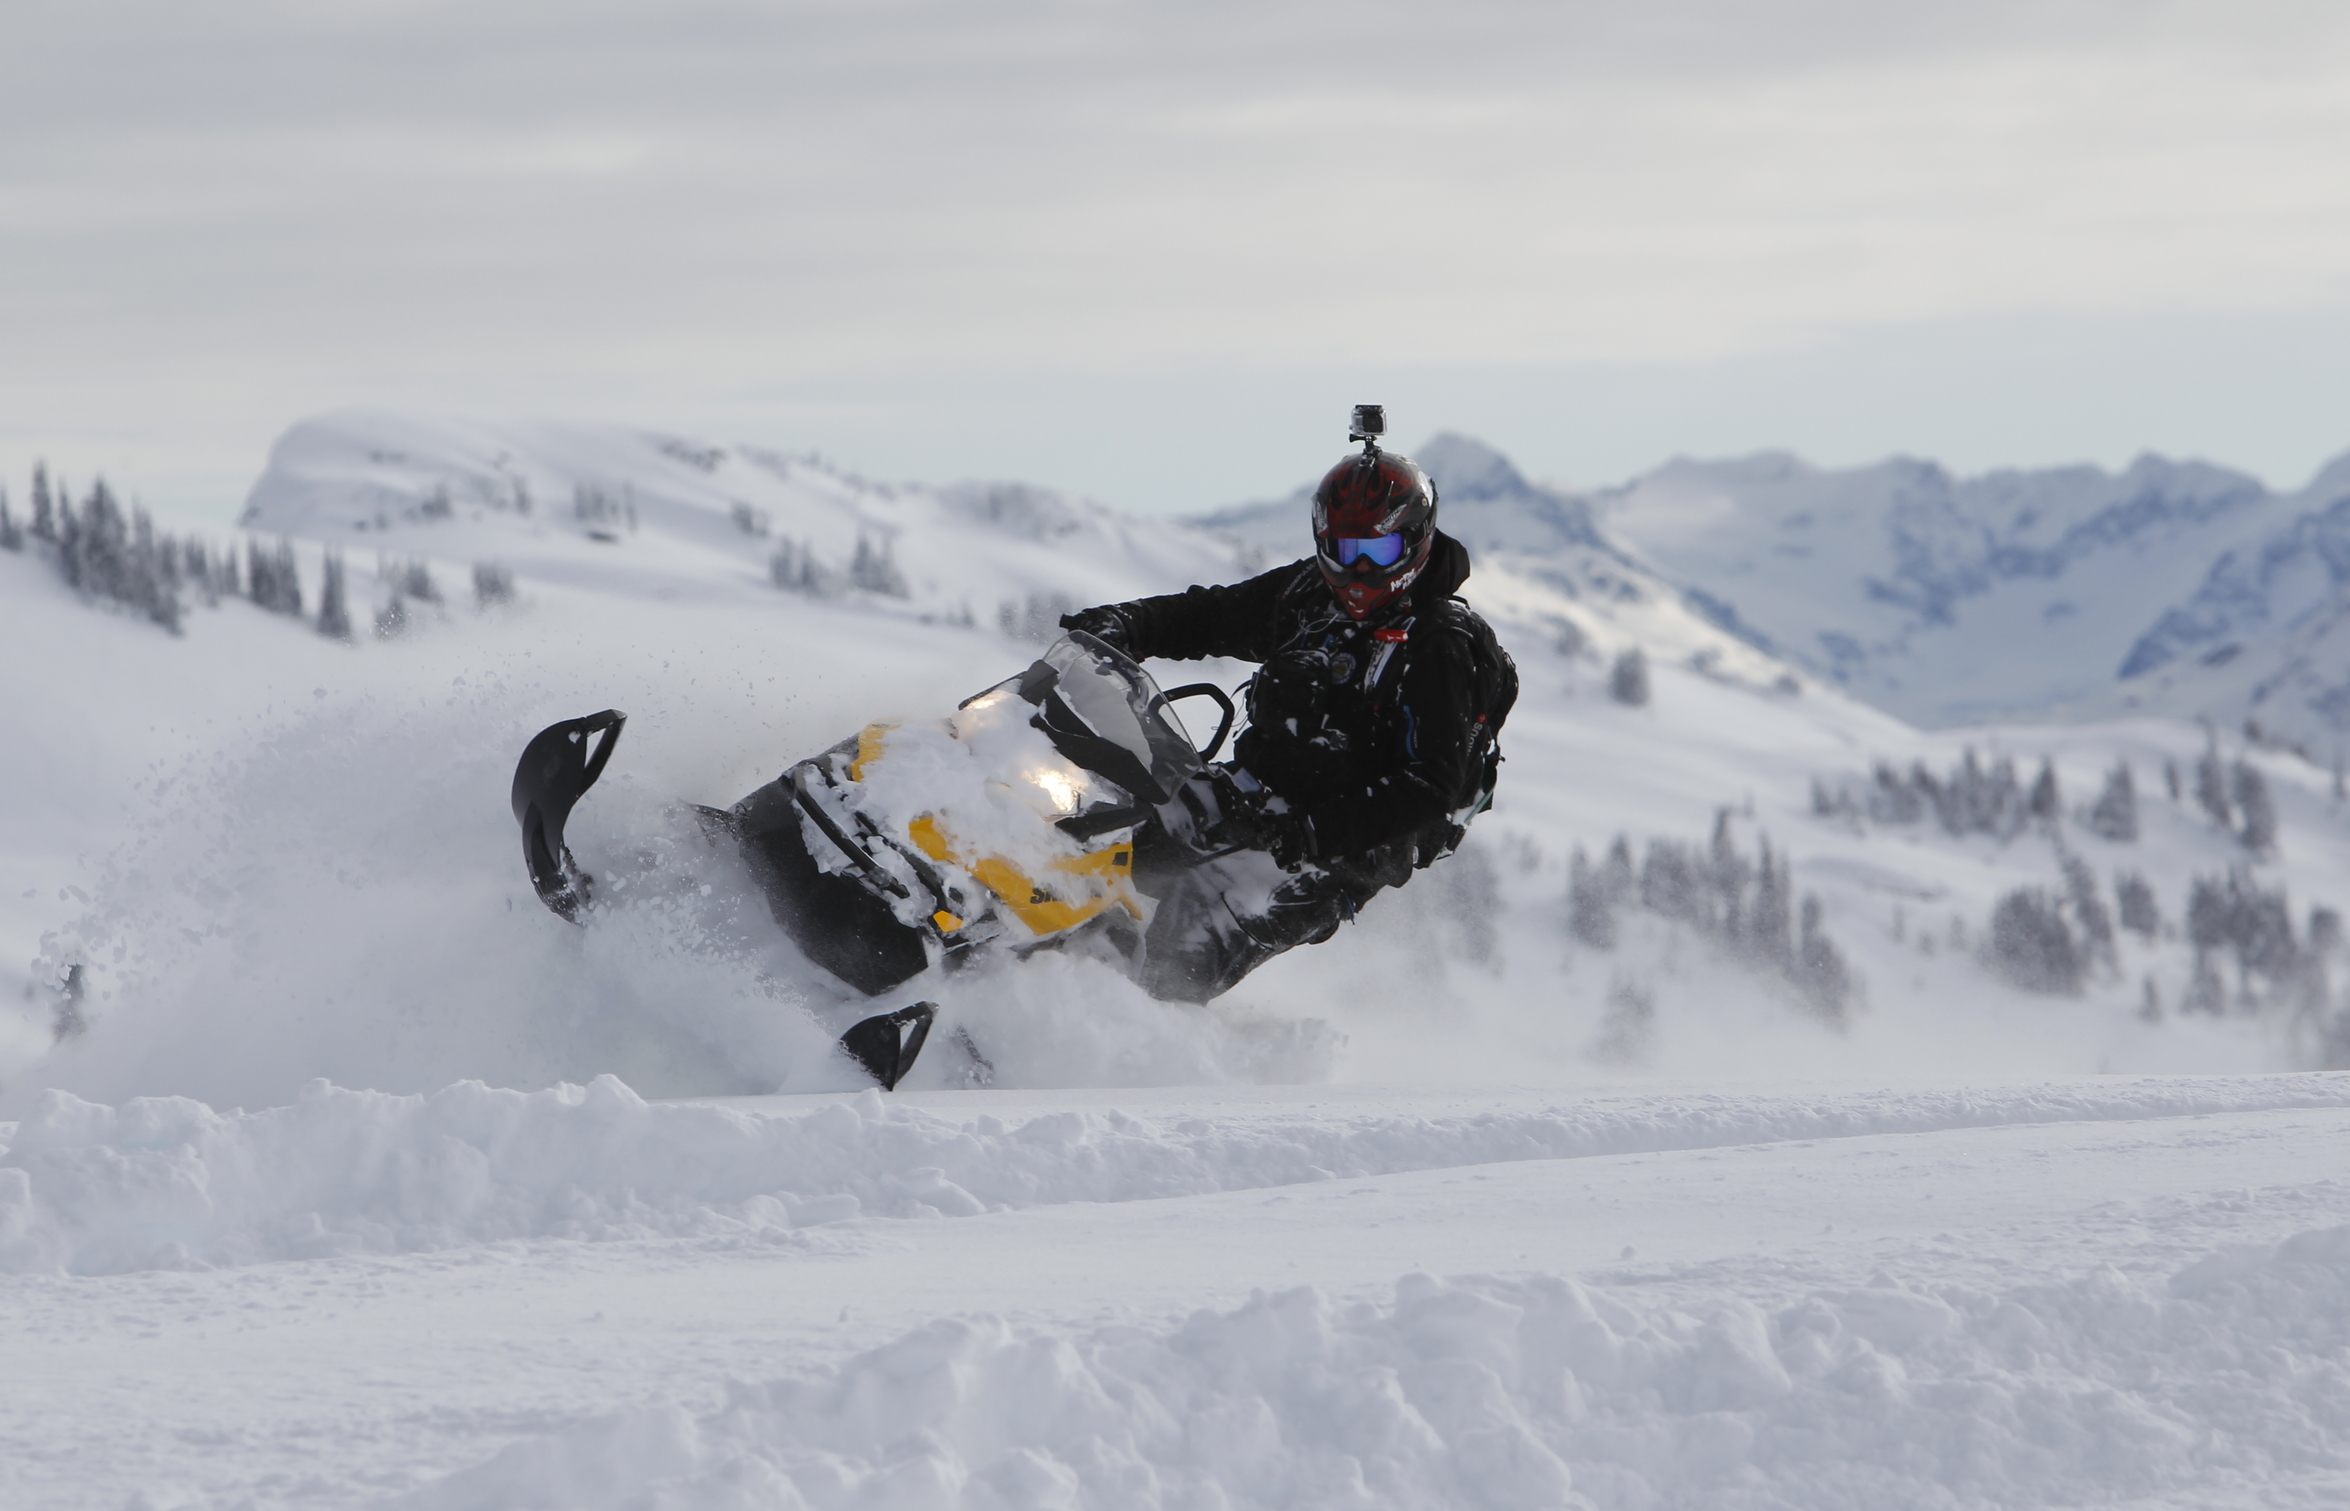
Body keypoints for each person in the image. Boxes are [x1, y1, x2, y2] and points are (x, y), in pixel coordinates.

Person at [1060, 408, 1516, 1002]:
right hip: (1255, 793)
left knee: (1186, 949)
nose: (1357, 571)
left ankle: (1136, 1049)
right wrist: (1128, 625)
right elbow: (1213, 615)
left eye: (1376, 555)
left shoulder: (1439, 645)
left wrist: (1309, 832)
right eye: (1344, 549)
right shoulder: (1311, 595)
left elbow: (1429, 787)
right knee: (1103, 857)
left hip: (1345, 843)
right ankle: (1007, 960)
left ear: (1416, 545)